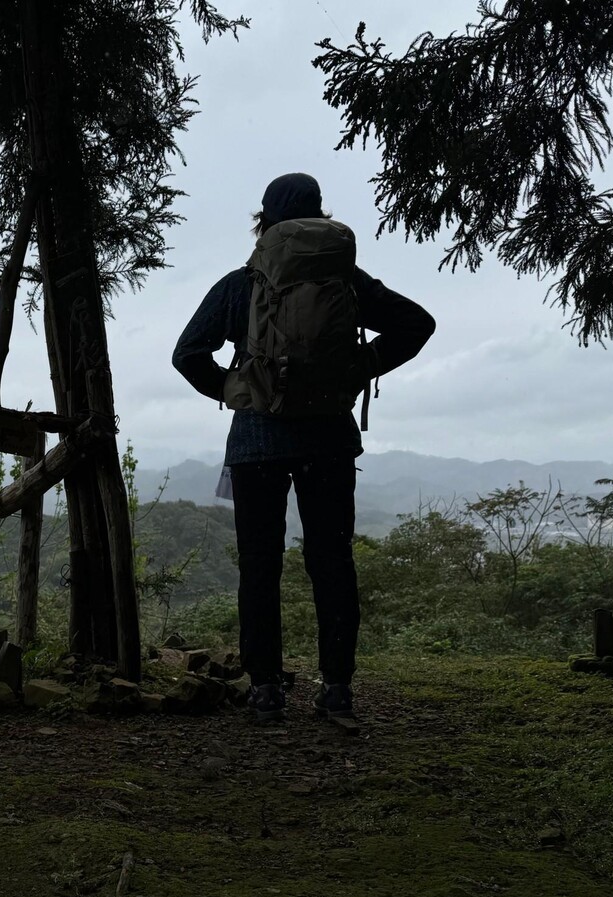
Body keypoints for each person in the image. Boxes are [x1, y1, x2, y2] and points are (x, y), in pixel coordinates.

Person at [172, 174, 435, 724]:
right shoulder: (347, 281)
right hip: (330, 440)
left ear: (263, 221)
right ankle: (336, 685)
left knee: (259, 565)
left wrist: (233, 387)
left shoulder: (241, 285)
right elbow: (417, 324)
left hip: (256, 443)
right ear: (321, 216)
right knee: (332, 559)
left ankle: (265, 687)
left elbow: (188, 353)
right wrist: (357, 371)